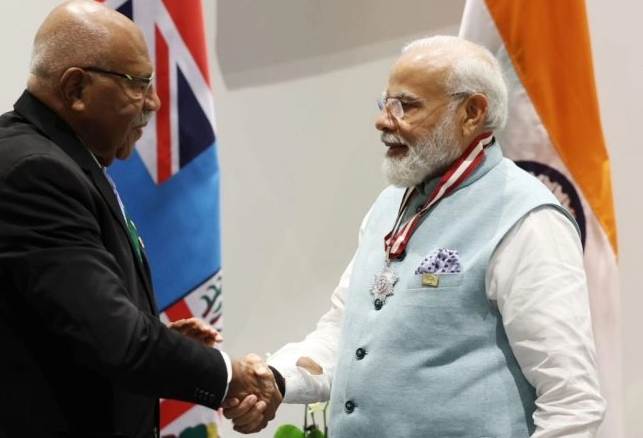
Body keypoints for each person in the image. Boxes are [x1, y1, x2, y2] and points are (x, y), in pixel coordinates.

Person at [0, 1, 280, 438]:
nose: (155, 101)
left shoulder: (55, 160)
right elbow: (118, 343)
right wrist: (229, 376)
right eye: (139, 84)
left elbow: (75, 323)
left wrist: (160, 342)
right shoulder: (34, 175)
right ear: (76, 89)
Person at [225, 35, 606, 437]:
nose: (383, 120)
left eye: (406, 106)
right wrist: (277, 379)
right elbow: (344, 333)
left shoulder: (527, 219)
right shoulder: (389, 205)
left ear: (472, 112)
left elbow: (572, 401)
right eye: (384, 104)